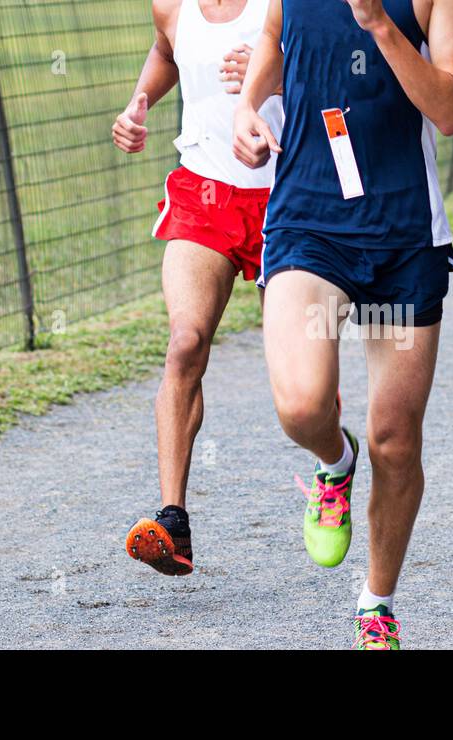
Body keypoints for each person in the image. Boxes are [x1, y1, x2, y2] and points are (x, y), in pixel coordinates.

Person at [232, 0, 453, 649]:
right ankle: (334, 463)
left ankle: (377, 602)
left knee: (395, 439)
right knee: (302, 406)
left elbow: (451, 111)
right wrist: (248, 107)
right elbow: (276, 37)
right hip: (309, 225)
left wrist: (380, 25)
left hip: (400, 240)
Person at [112, 0, 284, 577]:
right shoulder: (171, 6)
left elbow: (345, 63)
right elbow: (167, 49)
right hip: (205, 193)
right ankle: (173, 521)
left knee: (296, 376)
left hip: (288, 197)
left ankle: (332, 458)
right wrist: (140, 102)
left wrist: (277, 71)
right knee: (185, 342)